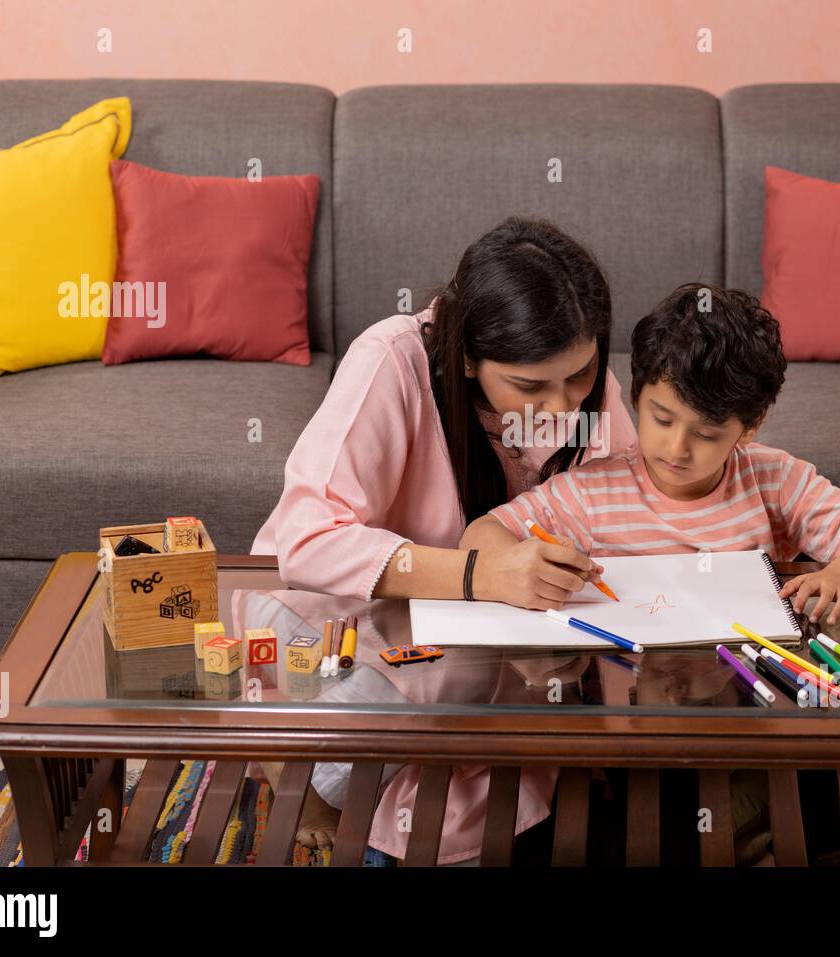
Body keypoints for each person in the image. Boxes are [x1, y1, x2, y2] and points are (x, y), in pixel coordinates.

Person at [460, 282, 840, 862]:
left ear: (749, 427)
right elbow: (480, 535)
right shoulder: (596, 491)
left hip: (753, 701)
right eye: (660, 418)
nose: (676, 447)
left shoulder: (770, 478)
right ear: (635, 397)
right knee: (662, 810)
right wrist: (524, 562)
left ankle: (794, 842)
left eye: (707, 433)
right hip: (644, 718)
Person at [250, 216, 638, 863]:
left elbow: (618, 509)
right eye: (530, 386)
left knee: (520, 692)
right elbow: (307, 540)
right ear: (465, 356)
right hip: (350, 619)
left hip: (492, 633)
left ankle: (378, 772)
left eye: (581, 376)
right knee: (447, 668)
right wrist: (478, 575)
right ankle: (315, 761)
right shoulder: (391, 359)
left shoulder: (583, 389)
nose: (565, 406)